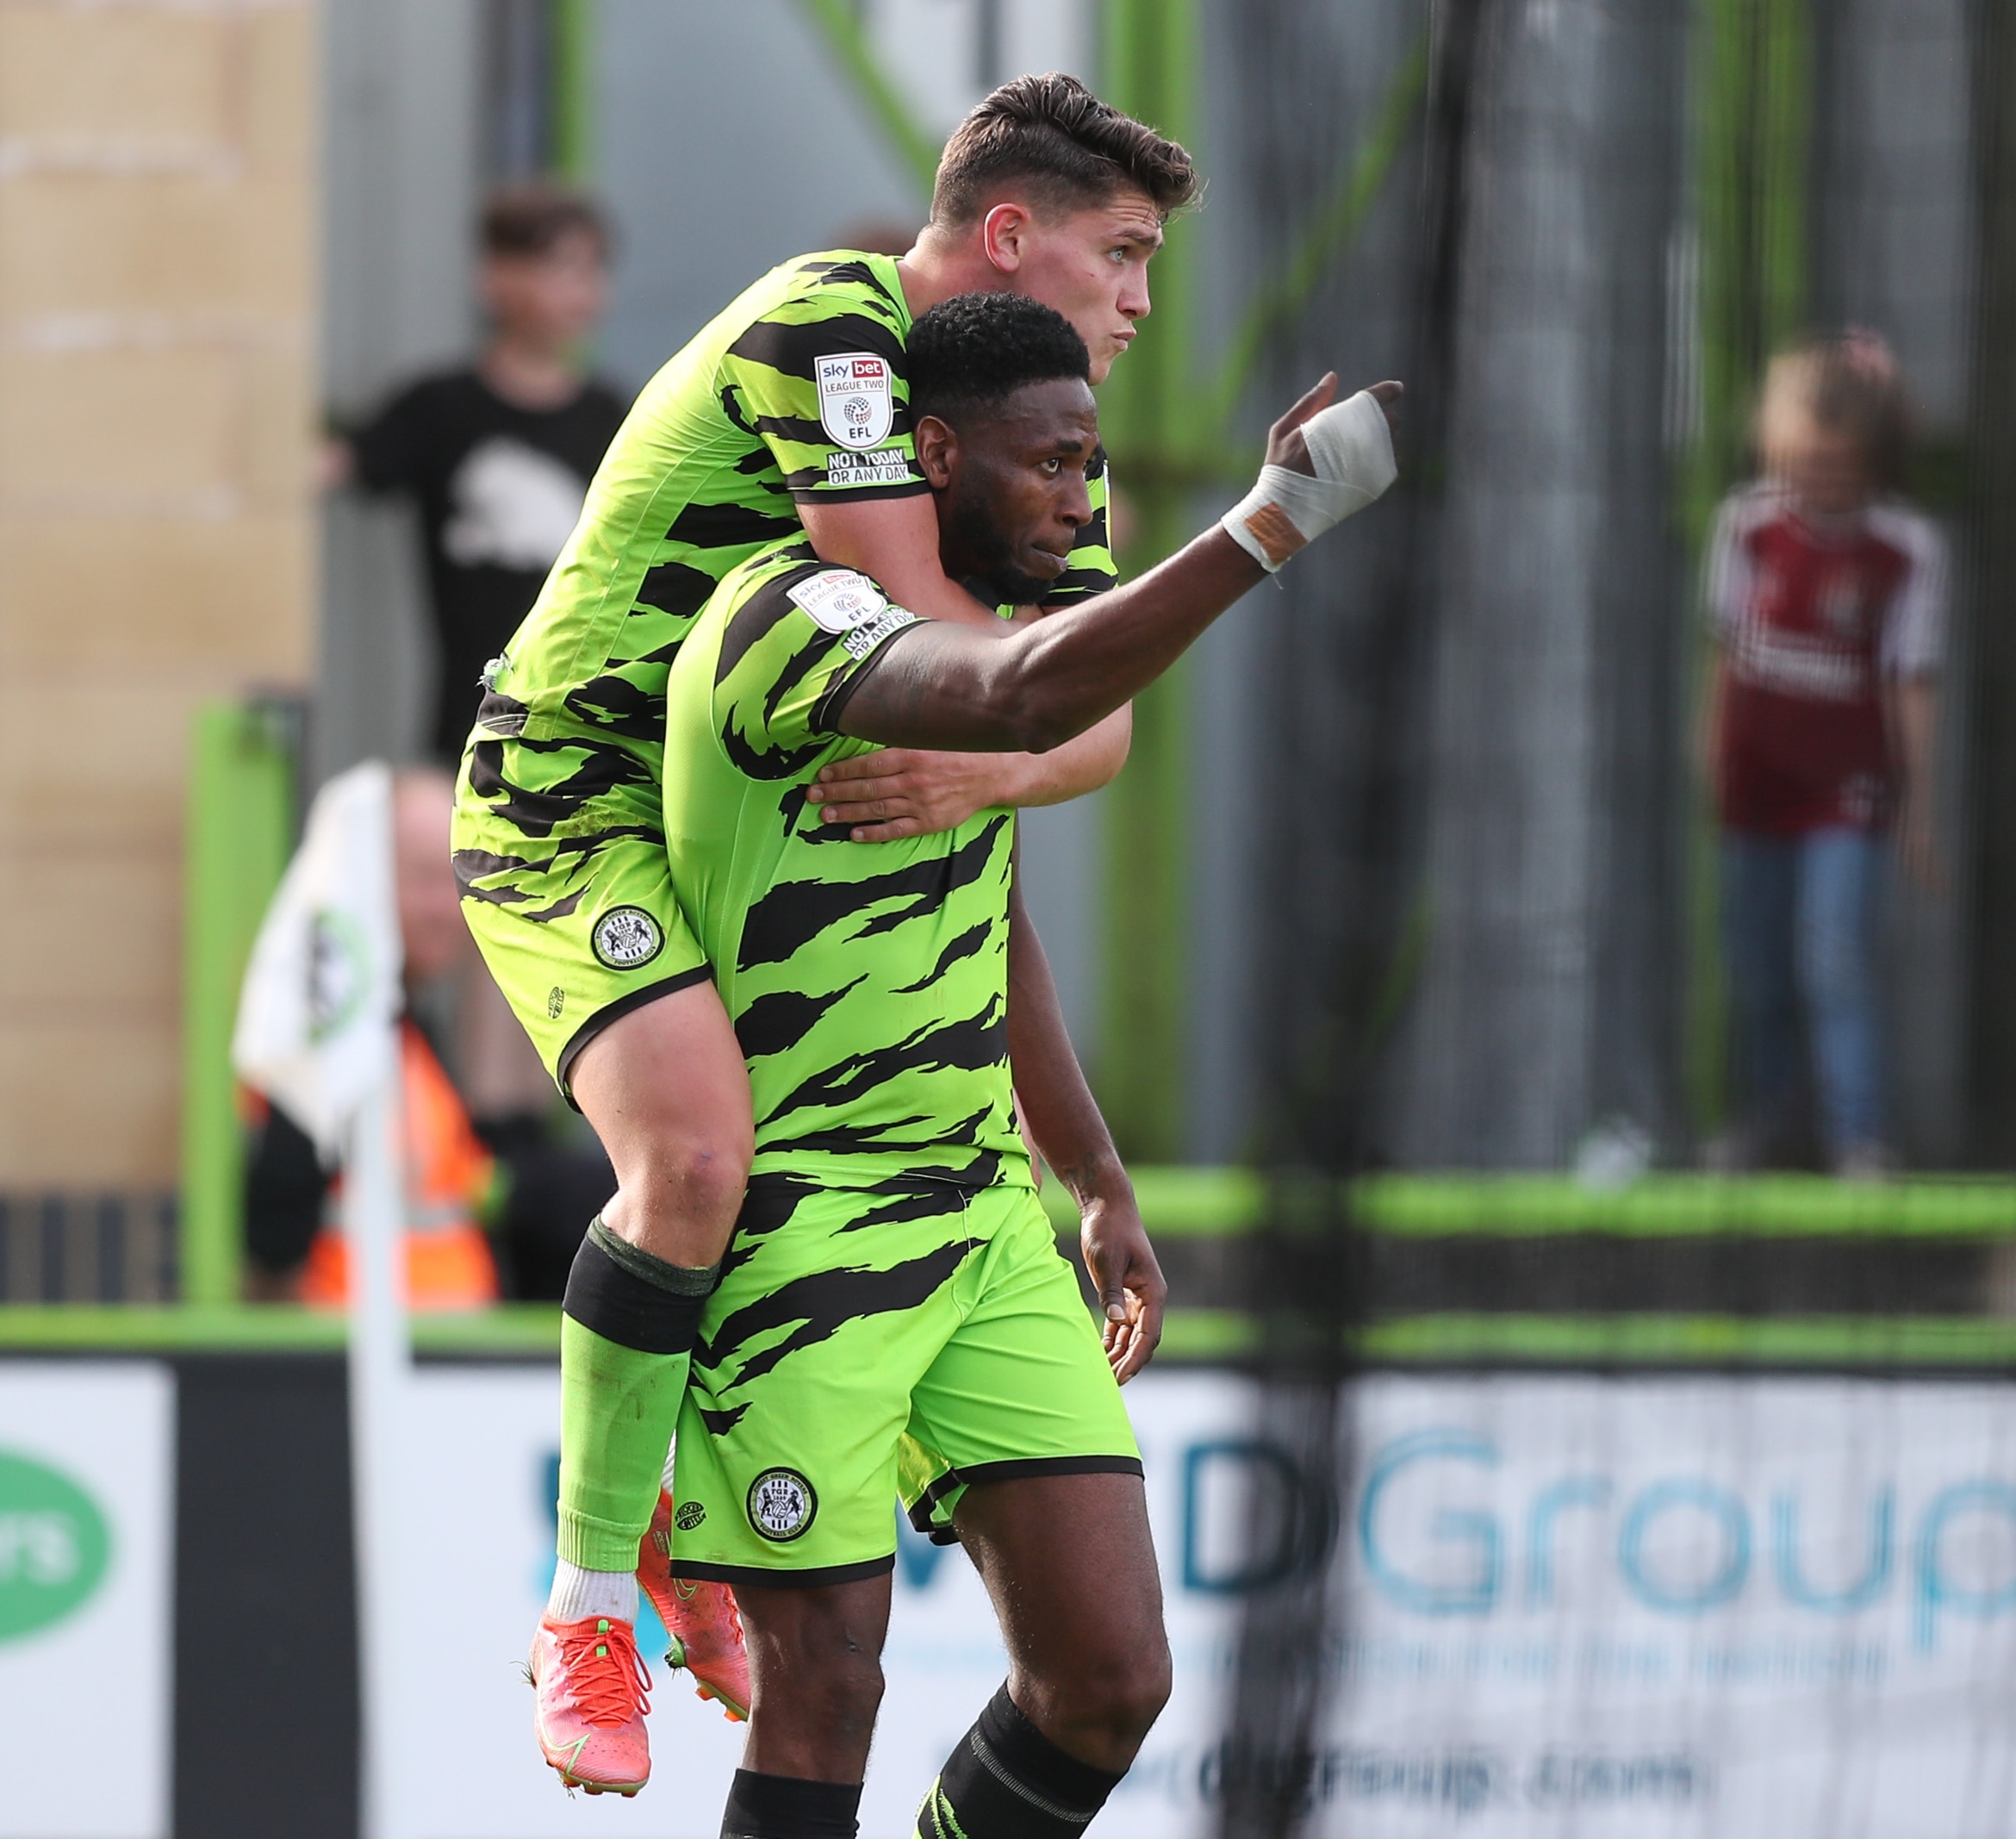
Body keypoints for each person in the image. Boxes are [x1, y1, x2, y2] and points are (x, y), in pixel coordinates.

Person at [455, 76, 1200, 1779]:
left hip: (738, 836)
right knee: (700, 1159)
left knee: (1096, 1669)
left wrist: (983, 763)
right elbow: (984, 671)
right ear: (1008, 234)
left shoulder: (1008, 464)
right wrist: (1019, 708)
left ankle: (671, 1513)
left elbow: (1088, 730)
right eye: (1123, 251)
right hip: (577, 798)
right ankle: (587, 1599)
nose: (1142, 297)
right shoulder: (832, 325)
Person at [650, 294, 1398, 1839]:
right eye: (1050, 463)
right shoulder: (788, 621)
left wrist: (1095, 1172)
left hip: (982, 1218)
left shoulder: (980, 621)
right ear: (929, 452)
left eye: (1093, 463)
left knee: (1109, 1677)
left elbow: (983, 918)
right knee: (825, 1686)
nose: (1080, 496)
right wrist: (1275, 521)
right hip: (805, 1227)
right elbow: (1035, 699)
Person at [1700, 331, 1945, 1181]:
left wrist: (1917, 805)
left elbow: (1910, 680)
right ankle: (1767, 1119)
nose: (1821, 483)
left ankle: (1858, 1139)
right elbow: (1725, 656)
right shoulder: (1747, 527)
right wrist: (1713, 759)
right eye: (1805, 461)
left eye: (1839, 465)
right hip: (1755, 788)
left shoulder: (1903, 549)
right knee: (1756, 961)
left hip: (1845, 791)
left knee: (1832, 954)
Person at [238, 769, 611, 1305]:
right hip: (359, 1364)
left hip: (431, 1362)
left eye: (456, 880)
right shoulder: (332, 1038)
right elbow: (275, 1244)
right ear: (369, 880)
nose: (446, 908)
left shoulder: (411, 1036)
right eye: (422, 879)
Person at [336, 187, 631, 762]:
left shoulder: (615, 419)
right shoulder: (438, 408)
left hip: (588, 719)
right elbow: (338, 467)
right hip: (468, 716)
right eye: (559, 266)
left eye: (594, 268)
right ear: (494, 276)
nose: (580, 288)